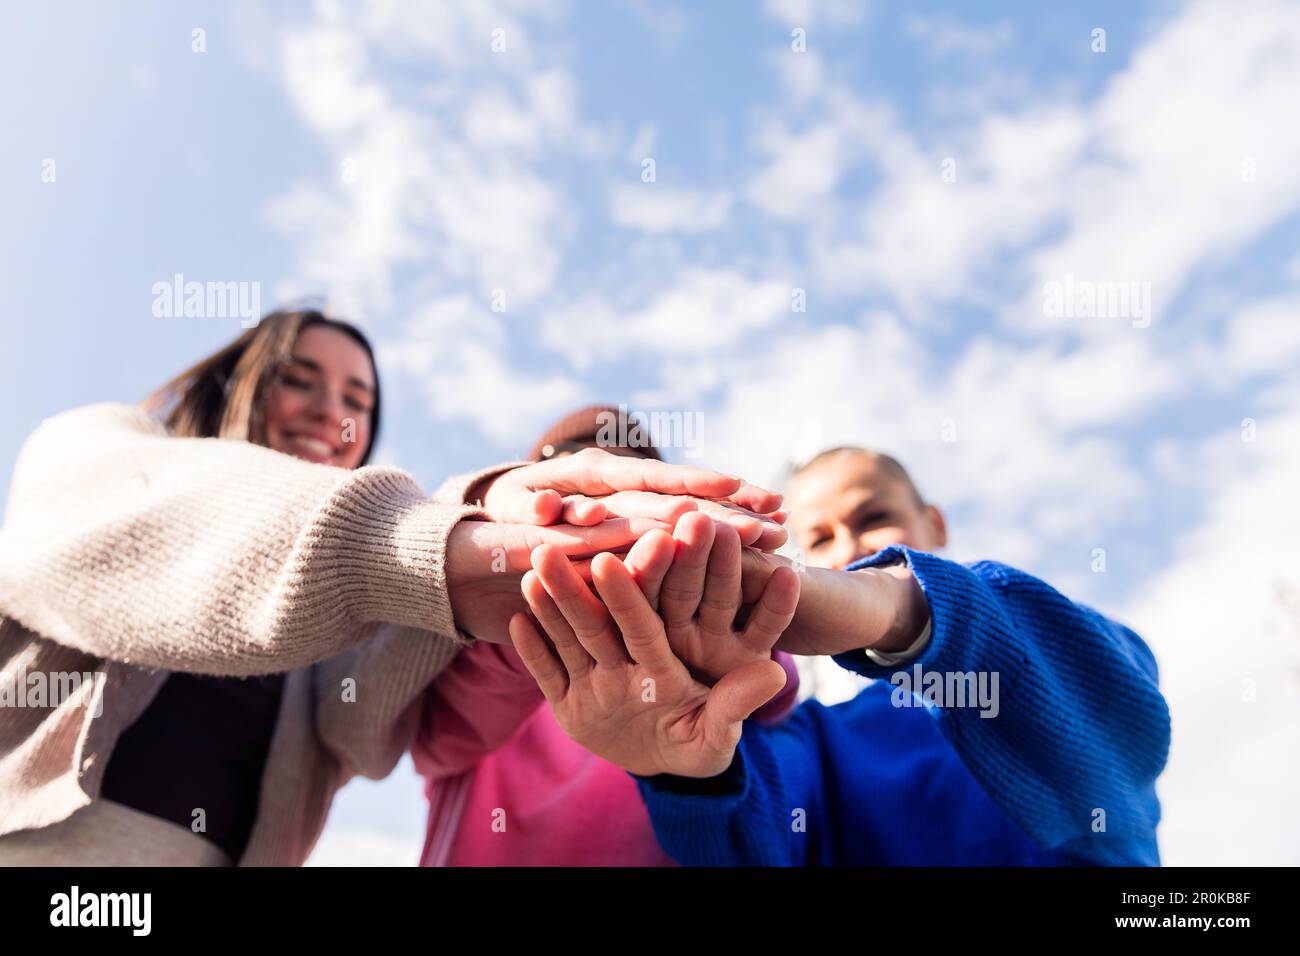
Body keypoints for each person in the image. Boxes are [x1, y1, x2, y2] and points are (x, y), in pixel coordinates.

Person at [0, 311, 781, 866]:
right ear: (237, 382)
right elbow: (161, 512)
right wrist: (446, 539)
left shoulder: (351, 610)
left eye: (357, 402)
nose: (329, 413)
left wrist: (529, 566)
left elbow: (366, 734)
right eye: (296, 380)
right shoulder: (99, 446)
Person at [509, 446, 1172, 866]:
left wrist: (888, 603)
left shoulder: (1064, 644)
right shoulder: (810, 740)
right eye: (821, 536)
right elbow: (748, 845)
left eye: (874, 516)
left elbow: (1112, 733)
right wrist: (681, 770)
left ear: (933, 527)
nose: (850, 545)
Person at [412, 406, 798, 866]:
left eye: (630, 477)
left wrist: (732, 618)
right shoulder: (468, 652)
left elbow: (775, 696)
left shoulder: (691, 652)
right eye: (569, 470)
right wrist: (543, 605)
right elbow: (444, 731)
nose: (599, 508)